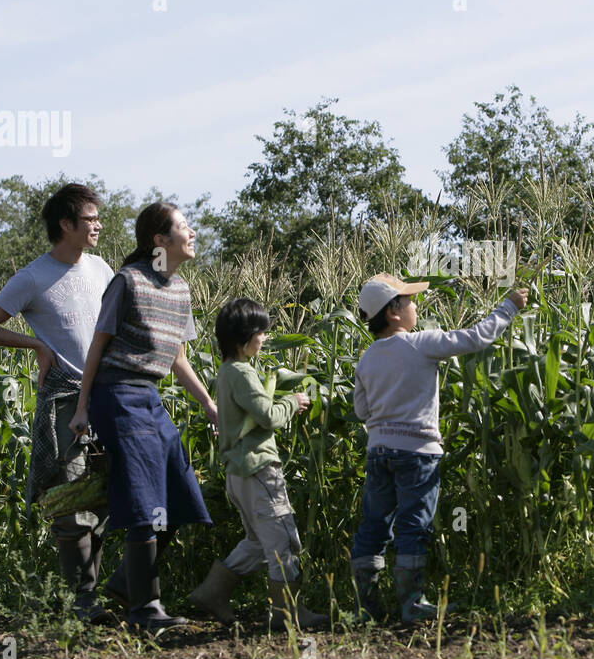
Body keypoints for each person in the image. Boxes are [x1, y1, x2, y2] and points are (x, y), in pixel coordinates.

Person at [0, 183, 115, 623]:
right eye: (90, 219)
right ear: (66, 225)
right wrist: (35, 345)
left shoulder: (102, 268)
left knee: (103, 497)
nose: (98, 225)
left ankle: (93, 598)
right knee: (71, 501)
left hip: (107, 397)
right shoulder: (32, 277)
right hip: (66, 400)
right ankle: (80, 604)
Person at [69, 202, 218, 631]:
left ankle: (123, 583)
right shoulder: (128, 281)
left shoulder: (181, 290)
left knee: (179, 489)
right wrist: (82, 406)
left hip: (148, 396)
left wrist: (207, 403)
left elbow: (176, 357)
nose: (192, 233)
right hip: (116, 394)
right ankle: (145, 610)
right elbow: (96, 347)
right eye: (183, 227)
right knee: (143, 498)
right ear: (159, 240)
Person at [350, 273, 528, 622]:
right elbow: (475, 338)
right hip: (418, 453)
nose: (416, 306)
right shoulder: (421, 343)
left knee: (374, 523)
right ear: (394, 313)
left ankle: (365, 606)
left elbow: (361, 411)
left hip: (379, 451)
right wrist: (508, 308)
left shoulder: (367, 358)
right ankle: (411, 604)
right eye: (410, 301)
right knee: (414, 524)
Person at [187, 298, 329, 630]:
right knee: (284, 542)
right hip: (259, 470)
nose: (264, 338)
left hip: (238, 474)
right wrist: (290, 403)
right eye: (261, 332)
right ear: (244, 336)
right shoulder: (242, 373)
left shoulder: (225, 372)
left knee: (257, 543)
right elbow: (266, 417)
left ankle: (211, 592)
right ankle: (287, 614)